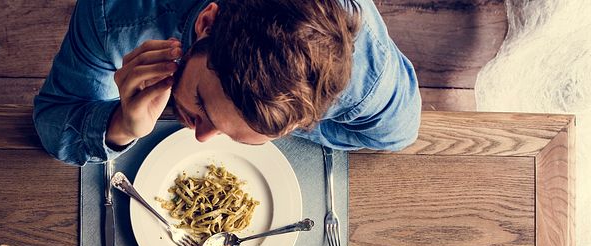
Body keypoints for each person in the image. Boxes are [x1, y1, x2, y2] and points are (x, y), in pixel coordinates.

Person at [34, 0, 421, 165]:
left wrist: (282, 124)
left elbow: (398, 133)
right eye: (202, 103)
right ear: (207, 23)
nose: (200, 137)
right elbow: (54, 116)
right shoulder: (115, 13)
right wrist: (119, 126)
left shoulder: (364, 71)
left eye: (232, 133)